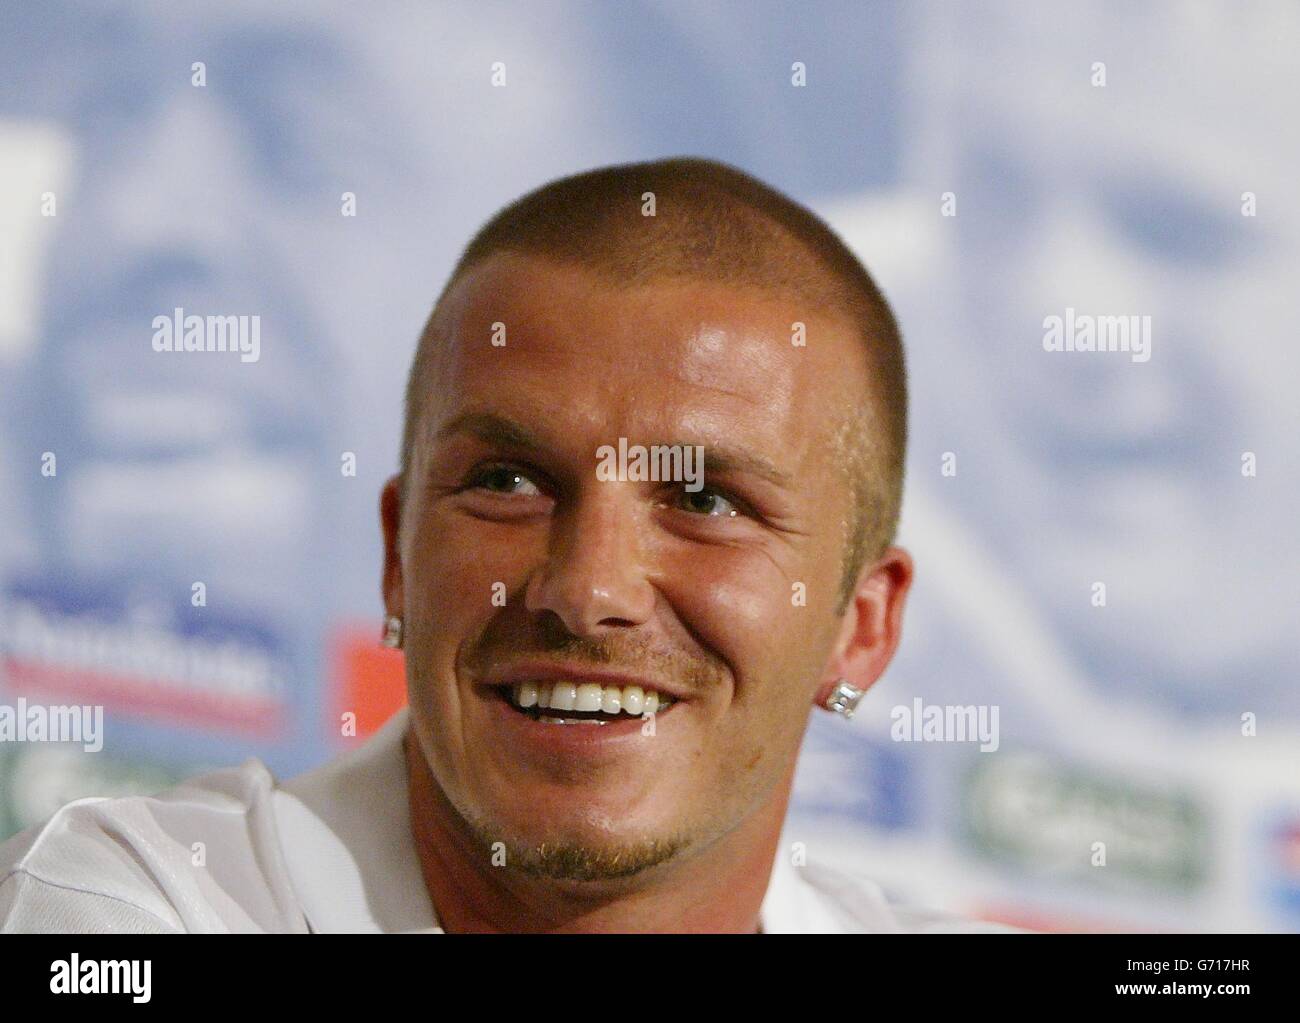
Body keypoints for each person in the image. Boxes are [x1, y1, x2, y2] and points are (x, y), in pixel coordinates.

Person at [0, 158, 1008, 933]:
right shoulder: (135, 908)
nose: (587, 589)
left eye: (703, 500)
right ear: (399, 556)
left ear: (862, 626)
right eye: (508, 484)